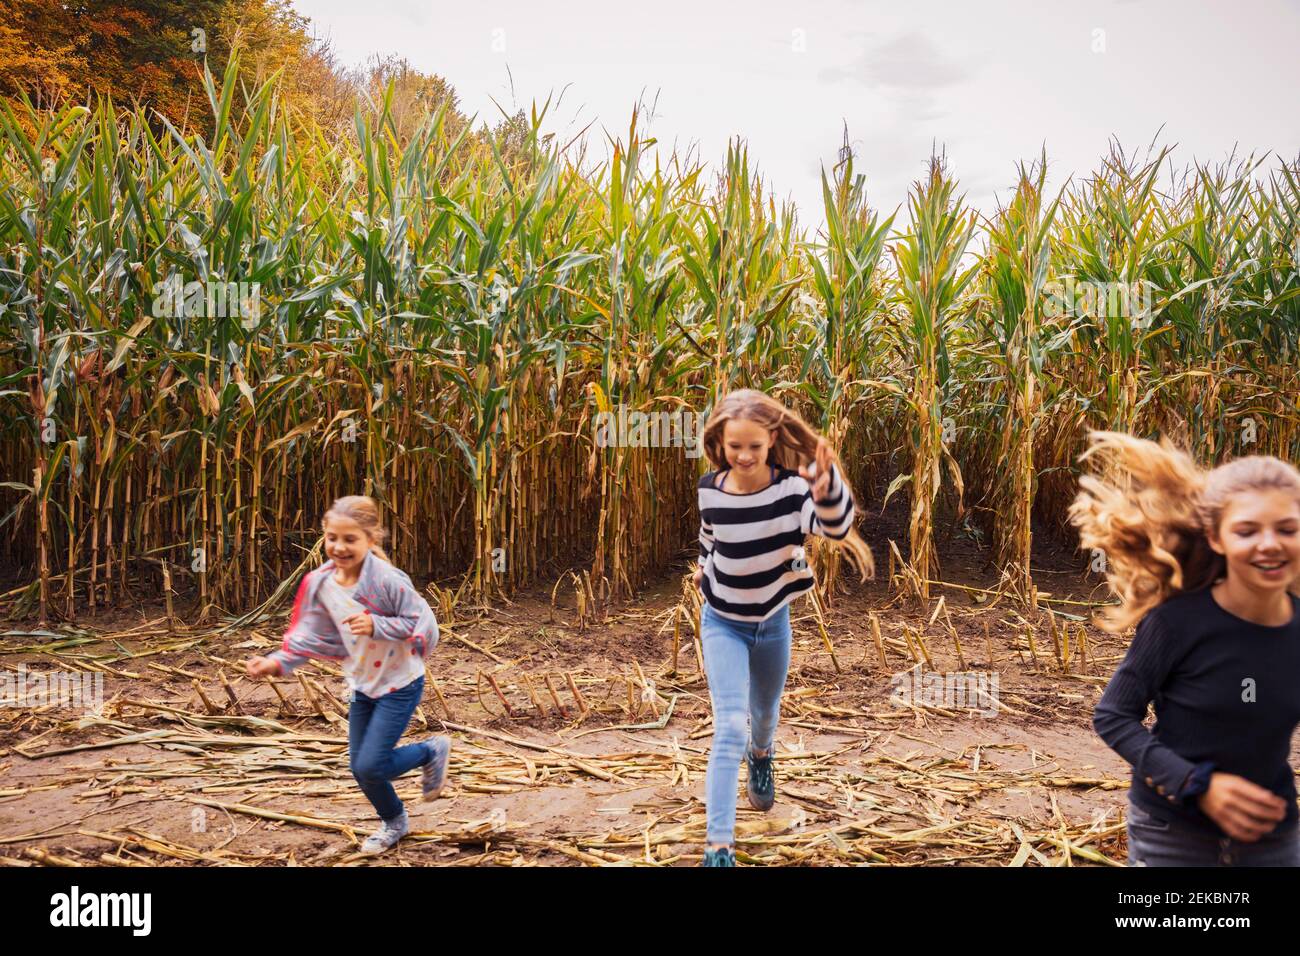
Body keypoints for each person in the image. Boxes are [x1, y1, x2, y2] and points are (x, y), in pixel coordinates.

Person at [1070, 431, 1300, 866]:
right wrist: (1197, 785)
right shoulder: (1176, 624)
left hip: (1273, 833)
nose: (1269, 543)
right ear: (1216, 538)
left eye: (1286, 529)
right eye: (1247, 530)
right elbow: (1114, 716)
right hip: (1172, 830)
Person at [693, 389, 873, 866]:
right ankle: (719, 847)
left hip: (772, 622)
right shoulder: (709, 490)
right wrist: (702, 568)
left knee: (764, 717)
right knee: (729, 722)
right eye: (735, 447)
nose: (745, 456)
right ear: (720, 442)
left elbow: (835, 528)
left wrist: (826, 486)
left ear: (772, 439)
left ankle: (763, 754)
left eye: (755, 445)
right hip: (722, 622)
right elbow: (709, 540)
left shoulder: (792, 490)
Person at [246, 496, 451, 855]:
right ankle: (395, 822)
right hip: (361, 684)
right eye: (331, 538)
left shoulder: (386, 580)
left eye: (350, 539)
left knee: (372, 763)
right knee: (361, 768)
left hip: (399, 683)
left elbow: (421, 621)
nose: (339, 547)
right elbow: (309, 633)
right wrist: (276, 662)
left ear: (371, 540)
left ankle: (430, 750)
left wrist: (378, 624)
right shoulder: (320, 583)